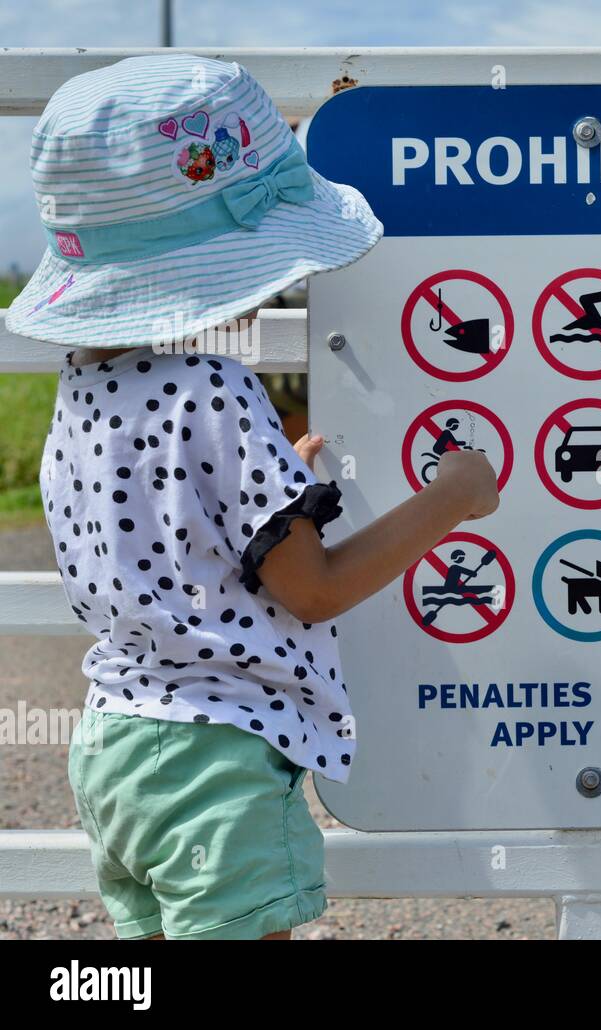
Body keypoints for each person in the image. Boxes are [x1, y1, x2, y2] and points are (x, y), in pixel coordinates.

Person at [6, 55, 499, 940]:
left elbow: (167, 522)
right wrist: (450, 499)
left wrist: (277, 470)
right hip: (214, 761)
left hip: (115, 746)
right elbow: (312, 590)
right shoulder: (213, 392)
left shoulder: (82, 395)